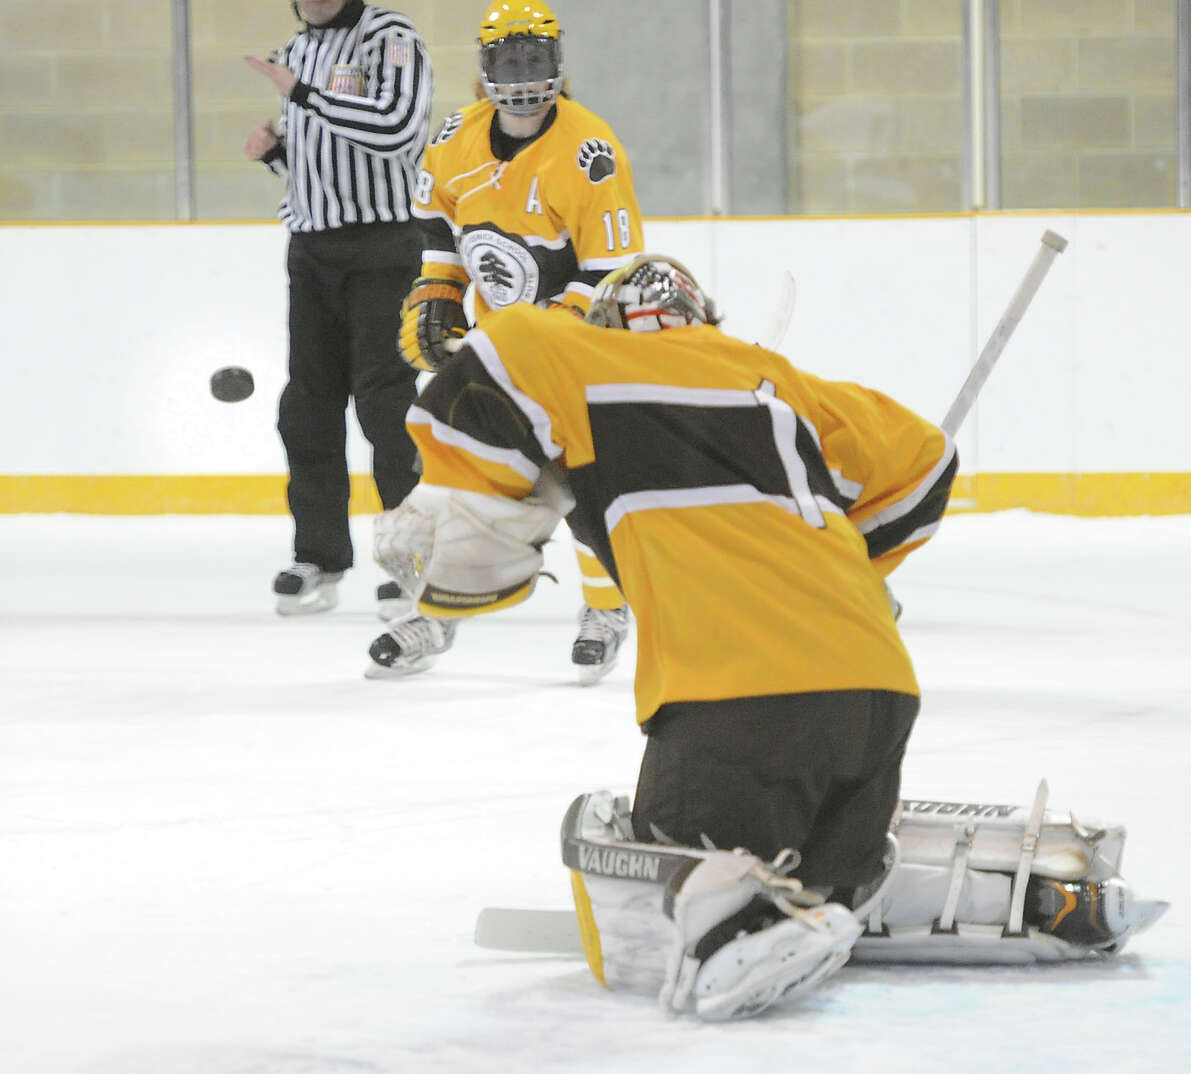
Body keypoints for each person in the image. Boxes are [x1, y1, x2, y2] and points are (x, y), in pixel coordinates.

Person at [371, 255, 963, 1015]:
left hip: (740, 701)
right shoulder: (783, 384)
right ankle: (835, 888)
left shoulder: (586, 357)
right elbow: (926, 461)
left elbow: (499, 353)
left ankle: (737, 926)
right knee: (821, 854)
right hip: (877, 695)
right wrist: (851, 562)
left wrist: (479, 494)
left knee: (655, 858)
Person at [364, 1, 645, 682]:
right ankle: (434, 615)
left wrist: (543, 340)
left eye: (536, 59)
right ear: (485, 67)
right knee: (465, 483)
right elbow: (438, 228)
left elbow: (610, 270)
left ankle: (605, 611)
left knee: (578, 486)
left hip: (582, 348)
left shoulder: (589, 152)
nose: (523, 75)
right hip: (497, 349)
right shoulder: (458, 134)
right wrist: (436, 293)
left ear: (558, 64)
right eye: (509, 60)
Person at [243, 0, 433, 617]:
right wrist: (275, 152)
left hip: (385, 244)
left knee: (386, 404)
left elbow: (397, 130)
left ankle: (412, 562)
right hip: (312, 249)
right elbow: (319, 163)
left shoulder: (390, 36)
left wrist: (301, 94)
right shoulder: (295, 50)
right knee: (308, 406)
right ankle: (319, 556)